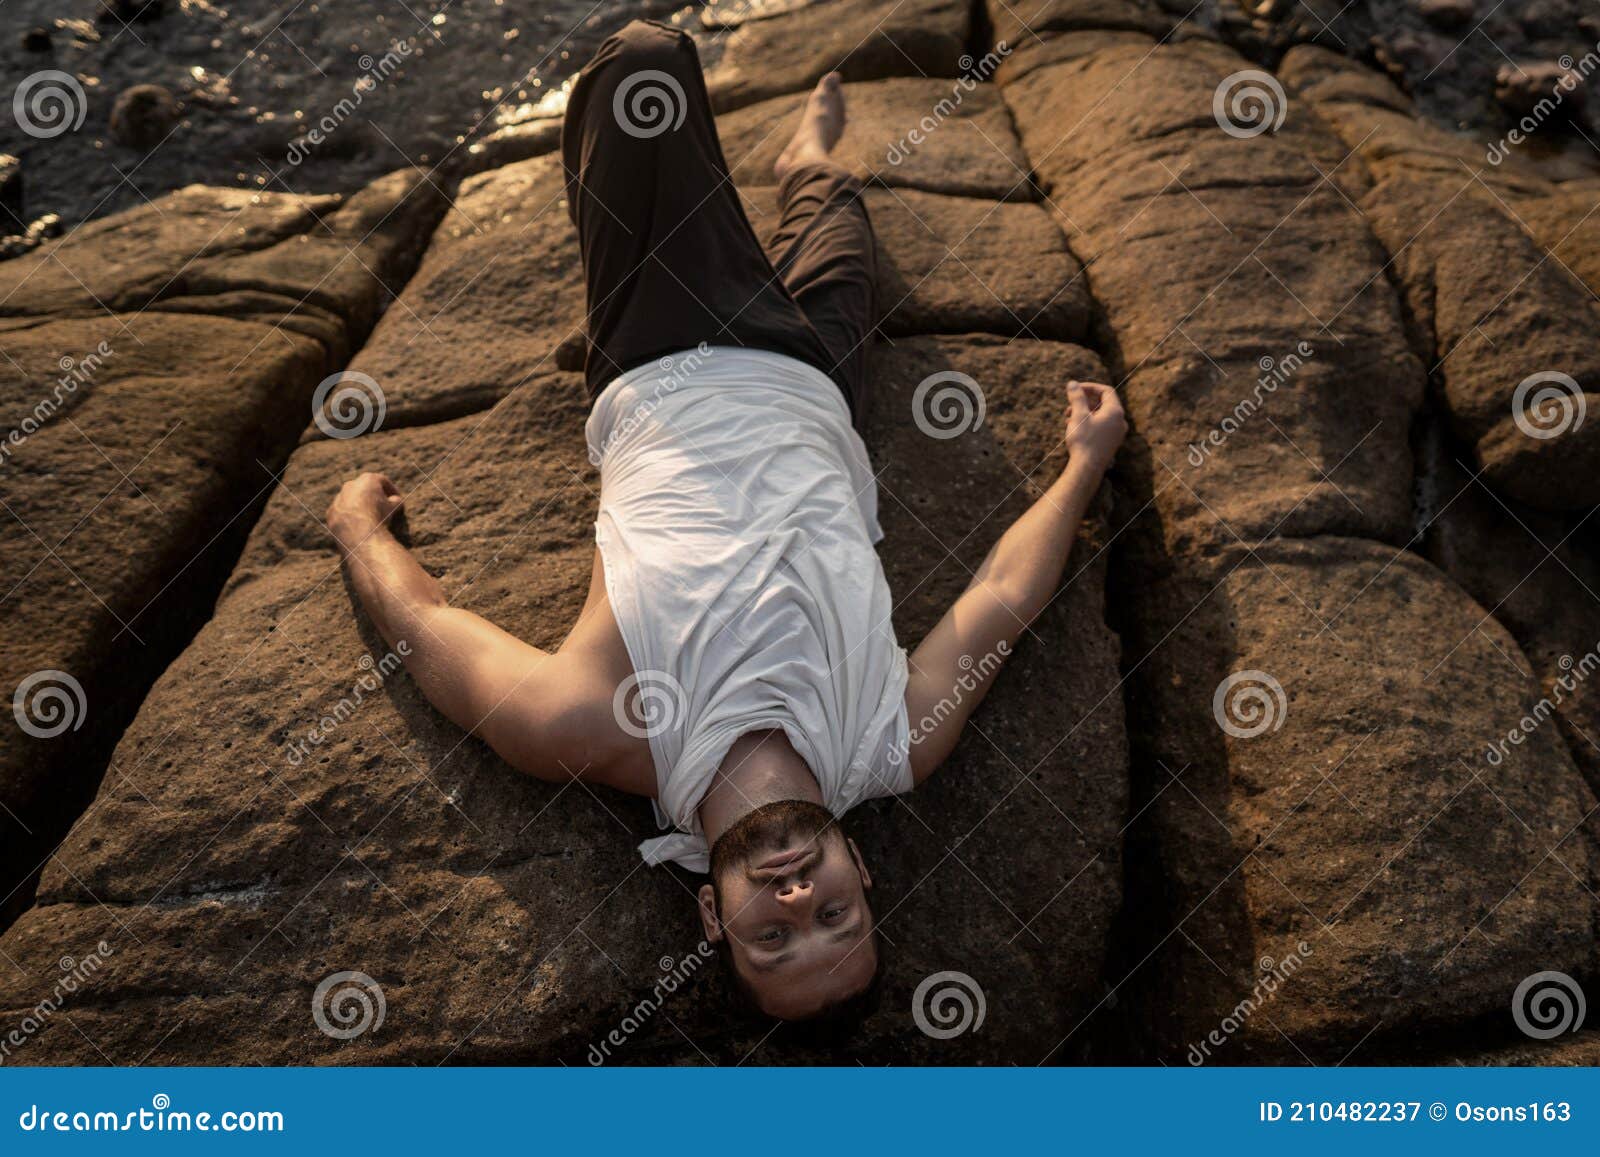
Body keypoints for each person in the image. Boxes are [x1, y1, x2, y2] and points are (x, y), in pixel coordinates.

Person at [325, 20, 1126, 1024]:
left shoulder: (592, 726)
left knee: (644, 62)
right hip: (819, 385)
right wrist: (1082, 467)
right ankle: (803, 157)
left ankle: (642, 256)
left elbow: (428, 630)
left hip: (667, 355)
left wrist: (359, 531)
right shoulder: (891, 741)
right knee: (839, 209)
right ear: (862, 874)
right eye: (835, 913)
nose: (797, 896)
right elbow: (1002, 600)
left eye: (774, 932)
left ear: (713, 911)